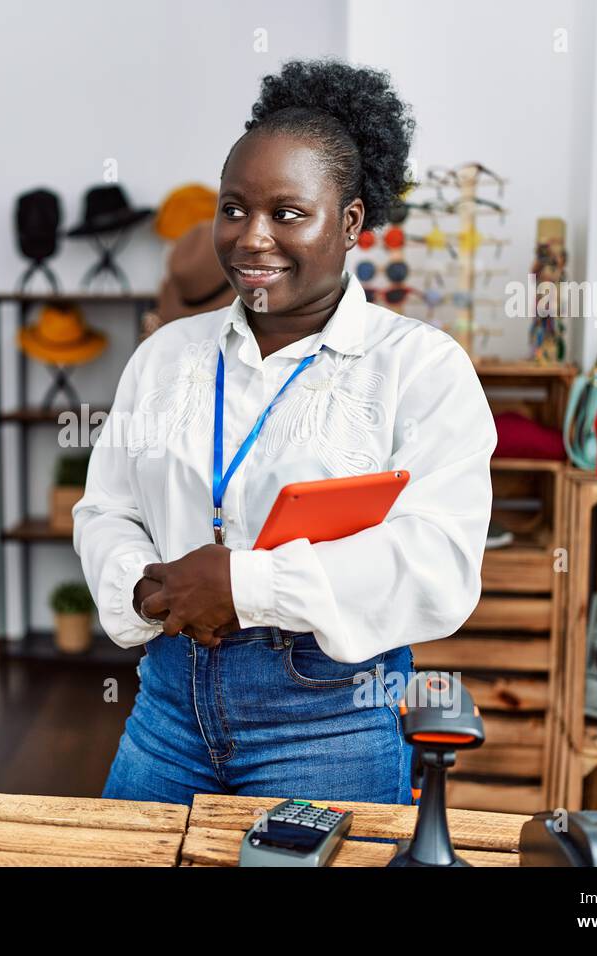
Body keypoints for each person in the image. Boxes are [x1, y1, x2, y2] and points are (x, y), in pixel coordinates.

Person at [72, 57, 497, 807]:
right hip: (168, 708)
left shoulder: (420, 369)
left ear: (353, 222)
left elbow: (439, 560)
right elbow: (107, 507)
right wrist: (148, 588)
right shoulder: (165, 355)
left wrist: (244, 585)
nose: (251, 239)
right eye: (233, 209)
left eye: (288, 213)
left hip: (329, 721)